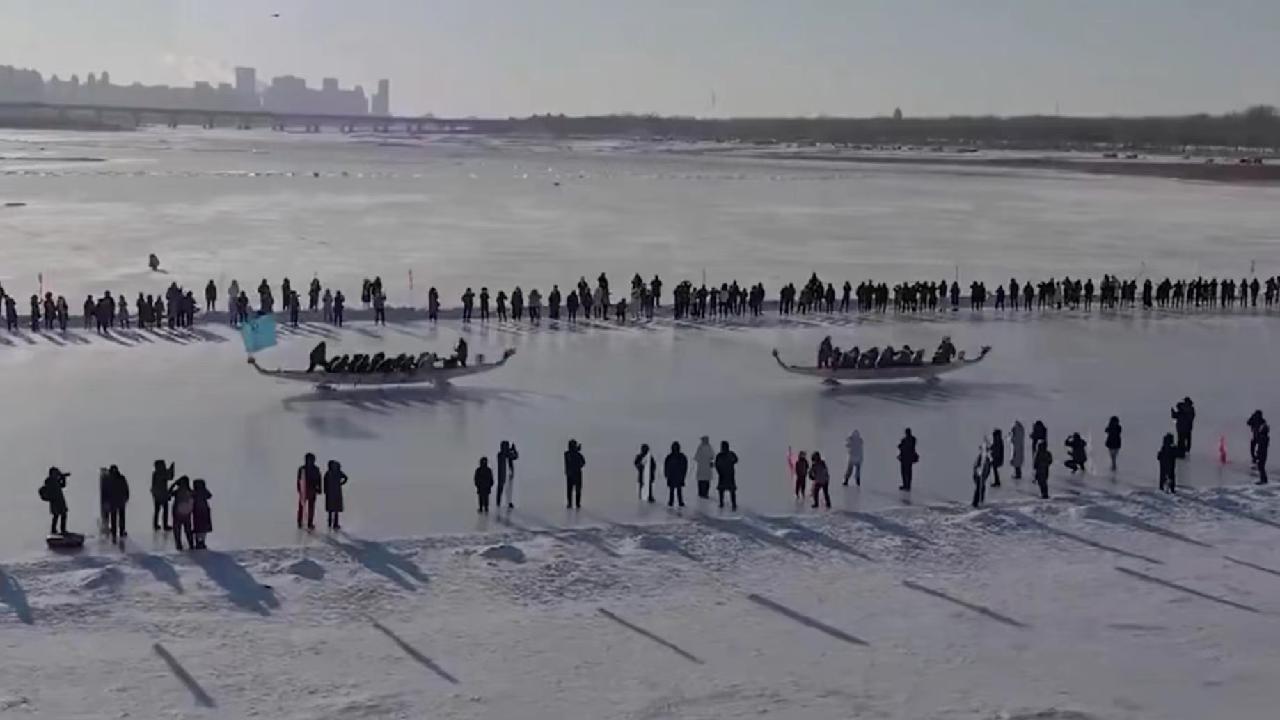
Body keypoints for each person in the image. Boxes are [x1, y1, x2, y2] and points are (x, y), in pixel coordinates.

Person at [40, 467, 70, 535]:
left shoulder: (55, 480)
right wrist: (61, 477)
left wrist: (63, 478)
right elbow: (52, 487)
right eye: (55, 473)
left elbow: (63, 485)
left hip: (60, 500)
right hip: (55, 501)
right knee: (56, 516)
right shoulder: (49, 481)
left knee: (63, 515)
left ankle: (62, 530)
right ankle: (54, 530)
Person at [104, 465, 129, 542]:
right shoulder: (121, 478)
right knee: (119, 516)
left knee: (114, 517)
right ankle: (120, 531)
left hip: (114, 501)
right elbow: (126, 488)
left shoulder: (108, 479)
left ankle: (115, 532)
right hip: (119, 500)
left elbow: (105, 491)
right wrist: (126, 497)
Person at [169, 476, 195, 550]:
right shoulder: (190, 491)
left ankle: (179, 545)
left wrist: (173, 484)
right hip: (187, 513)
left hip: (177, 513)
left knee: (177, 530)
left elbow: (168, 494)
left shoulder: (177, 491)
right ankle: (191, 544)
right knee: (188, 529)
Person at [297, 453, 322, 530]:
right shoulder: (302, 469)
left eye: (311, 459)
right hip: (305, 489)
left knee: (310, 507)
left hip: (311, 490)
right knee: (303, 507)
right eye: (308, 459)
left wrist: (319, 488)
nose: (310, 461)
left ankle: (308, 523)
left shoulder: (315, 469)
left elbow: (319, 479)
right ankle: (302, 522)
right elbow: (298, 480)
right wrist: (299, 489)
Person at [323, 460, 348, 529]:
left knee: (334, 509)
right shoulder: (332, 473)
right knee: (332, 509)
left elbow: (346, 478)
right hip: (333, 492)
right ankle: (332, 523)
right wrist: (341, 483)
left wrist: (340, 483)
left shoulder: (330, 473)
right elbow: (325, 482)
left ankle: (333, 523)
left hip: (333, 492)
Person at [715, 441, 739, 510]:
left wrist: (719, 471)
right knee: (727, 490)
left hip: (726, 475)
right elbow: (735, 460)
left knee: (725, 490)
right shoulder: (728, 454)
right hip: (726, 474)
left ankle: (728, 504)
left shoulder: (722, 455)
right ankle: (730, 504)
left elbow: (735, 460)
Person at [151, 460, 174, 530]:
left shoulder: (155, 473)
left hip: (157, 494)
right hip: (162, 494)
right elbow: (170, 477)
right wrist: (172, 468)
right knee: (165, 510)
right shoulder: (162, 473)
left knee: (157, 510)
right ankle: (165, 525)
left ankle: (155, 525)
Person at [664, 441, 688, 507]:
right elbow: (684, 466)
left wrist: (666, 474)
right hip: (675, 476)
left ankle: (674, 502)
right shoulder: (680, 456)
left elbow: (684, 466)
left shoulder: (670, 457)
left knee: (676, 490)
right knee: (676, 490)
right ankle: (676, 502)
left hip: (675, 475)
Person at [563, 439, 585, 509]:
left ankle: (570, 504)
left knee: (570, 490)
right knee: (577, 489)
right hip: (576, 473)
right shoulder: (576, 454)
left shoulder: (567, 454)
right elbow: (583, 462)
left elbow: (582, 462)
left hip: (570, 474)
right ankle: (577, 504)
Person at [191, 479, 212, 549]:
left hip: (196, 511)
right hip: (204, 511)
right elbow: (209, 495)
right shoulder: (204, 492)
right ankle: (202, 542)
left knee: (197, 527)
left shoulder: (194, 492)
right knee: (204, 528)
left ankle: (197, 542)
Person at [497, 441, 519, 508]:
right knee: (501, 489)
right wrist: (513, 450)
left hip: (508, 474)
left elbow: (515, 456)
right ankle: (499, 502)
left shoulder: (504, 454)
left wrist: (512, 450)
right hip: (503, 474)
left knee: (508, 489)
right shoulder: (501, 454)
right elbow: (513, 455)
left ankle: (508, 502)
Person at [972, 444, 991, 508]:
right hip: (978, 477)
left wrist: (986, 477)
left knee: (982, 488)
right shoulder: (980, 458)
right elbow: (976, 466)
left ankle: (981, 501)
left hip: (983, 477)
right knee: (978, 489)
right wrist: (978, 471)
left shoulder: (987, 459)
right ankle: (975, 503)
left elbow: (988, 470)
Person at [1255, 421, 1270, 486]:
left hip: (1262, 454)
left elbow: (1261, 447)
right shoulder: (1265, 437)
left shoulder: (1263, 437)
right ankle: (1264, 479)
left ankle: (1263, 480)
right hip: (1263, 454)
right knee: (1261, 467)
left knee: (1261, 467)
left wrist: (1258, 454)